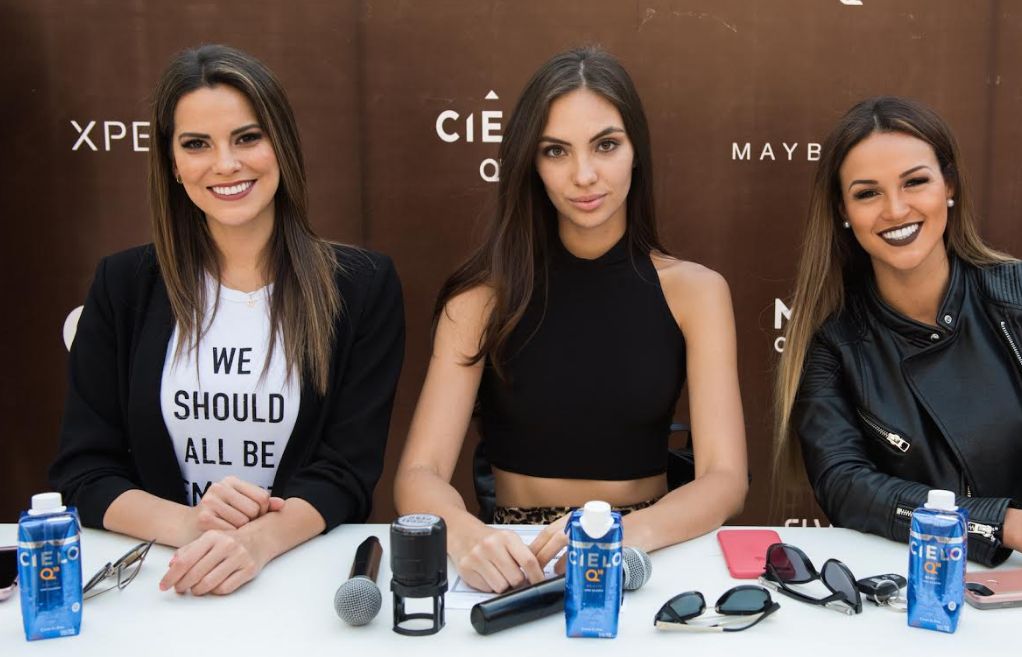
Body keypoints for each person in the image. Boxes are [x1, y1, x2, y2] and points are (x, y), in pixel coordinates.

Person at [49, 44, 405, 596]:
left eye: (247, 138)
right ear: (172, 163)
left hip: (299, 578)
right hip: (163, 580)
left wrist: (256, 543)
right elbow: (83, 473)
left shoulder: (361, 286)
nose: (226, 164)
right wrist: (191, 525)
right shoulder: (123, 284)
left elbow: (347, 473)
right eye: (197, 144)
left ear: (281, 144)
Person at [394, 47, 748, 593]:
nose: (584, 175)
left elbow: (725, 480)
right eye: (556, 151)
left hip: (644, 549)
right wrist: (463, 535)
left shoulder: (696, 292)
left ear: (636, 151)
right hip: (516, 556)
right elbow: (419, 474)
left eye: (606, 145)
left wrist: (620, 535)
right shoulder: (479, 300)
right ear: (531, 164)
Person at [773, 96, 1022, 579]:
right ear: (843, 210)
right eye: (868, 193)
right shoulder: (833, 343)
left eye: (915, 182)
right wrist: (1007, 525)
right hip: (909, 581)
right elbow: (847, 488)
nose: (896, 209)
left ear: (948, 185)